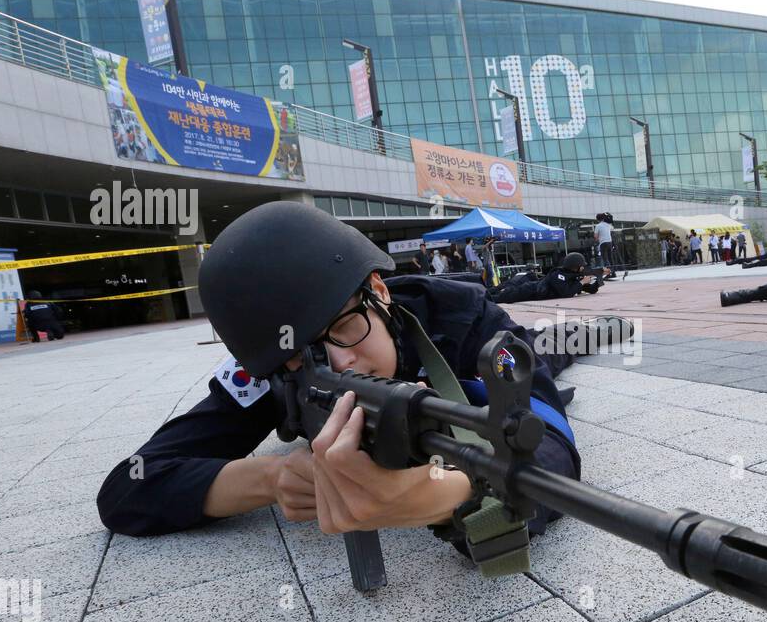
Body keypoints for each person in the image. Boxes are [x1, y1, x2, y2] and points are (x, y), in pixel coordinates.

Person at [96, 202, 589, 542]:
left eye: (343, 327)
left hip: (494, 350)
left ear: (379, 290)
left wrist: (450, 496)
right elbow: (129, 487)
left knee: (558, 347)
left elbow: (549, 443)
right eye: (303, 355)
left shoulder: (462, 318)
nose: (340, 364)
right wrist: (275, 477)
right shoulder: (274, 371)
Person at [485, 252, 608, 304]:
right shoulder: (558, 275)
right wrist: (581, 282)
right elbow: (566, 293)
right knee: (499, 297)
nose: (583, 268)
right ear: (574, 266)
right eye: (581, 266)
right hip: (529, 290)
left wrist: (600, 278)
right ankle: (479, 295)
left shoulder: (574, 278)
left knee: (500, 296)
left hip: (533, 292)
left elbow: (591, 290)